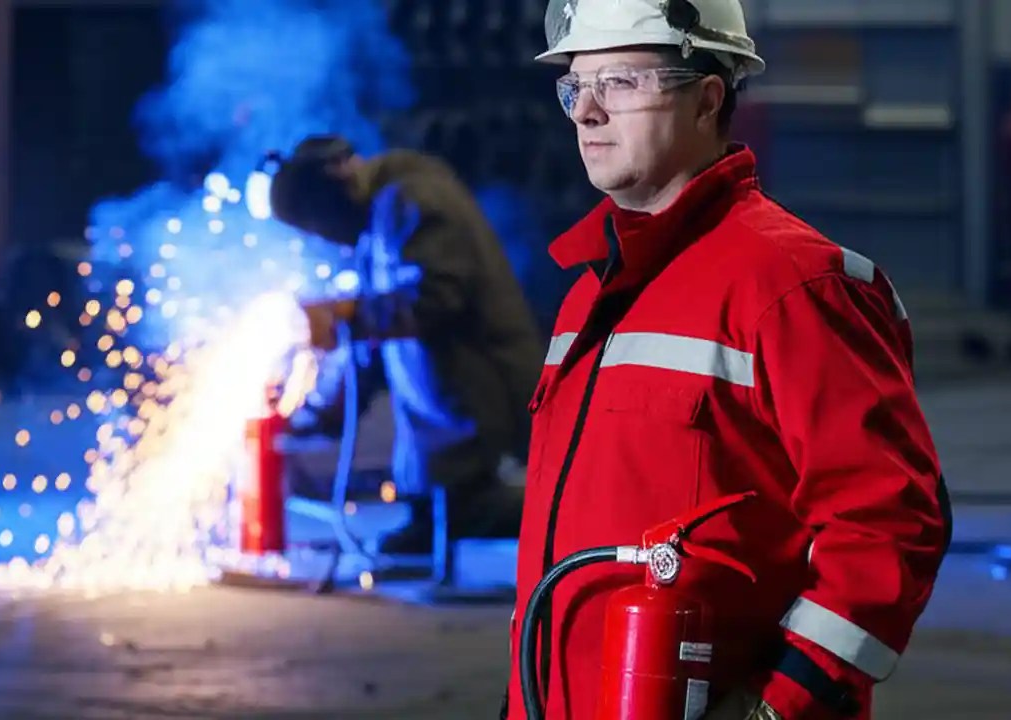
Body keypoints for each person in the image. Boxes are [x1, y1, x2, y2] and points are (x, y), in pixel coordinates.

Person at [503, 1, 952, 719]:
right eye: (574, 86)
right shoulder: (588, 294)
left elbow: (888, 527)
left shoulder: (794, 286)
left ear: (708, 98)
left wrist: (783, 704)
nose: (585, 112)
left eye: (619, 82)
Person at [268, 134, 543, 552]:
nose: (323, 236)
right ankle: (438, 511)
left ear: (333, 190)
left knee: (478, 511)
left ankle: (568, 509)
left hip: (484, 401)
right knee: (433, 519)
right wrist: (316, 414)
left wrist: (345, 314)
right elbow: (372, 346)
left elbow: (436, 297)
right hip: (447, 430)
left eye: (316, 223)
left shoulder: (412, 197)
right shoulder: (378, 221)